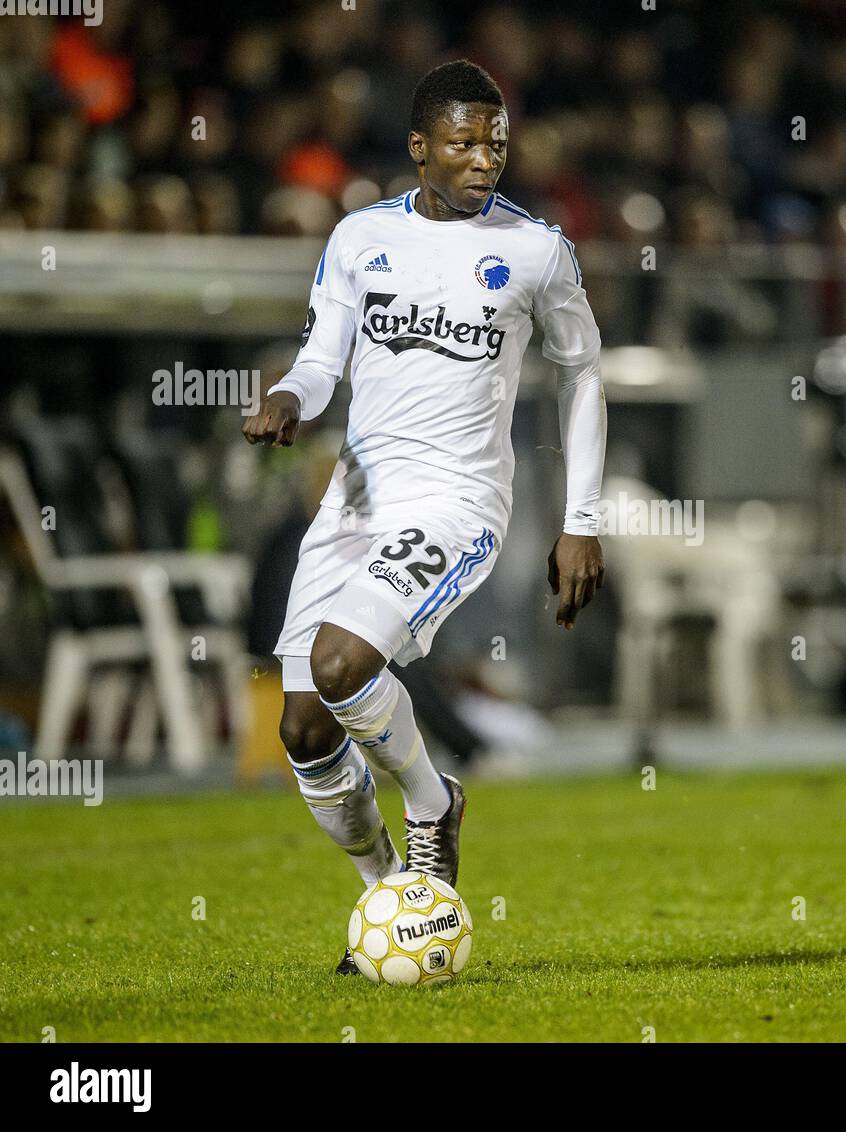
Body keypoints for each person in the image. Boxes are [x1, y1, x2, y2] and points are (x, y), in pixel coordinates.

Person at [241, 60, 607, 973]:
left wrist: (582, 517)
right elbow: (322, 356)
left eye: (497, 142)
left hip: (456, 502)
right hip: (355, 500)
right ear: (419, 149)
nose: (485, 159)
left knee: (340, 664)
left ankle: (433, 800)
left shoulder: (535, 250)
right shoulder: (362, 237)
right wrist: (290, 395)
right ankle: (390, 899)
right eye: (464, 142)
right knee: (305, 731)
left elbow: (584, 373)